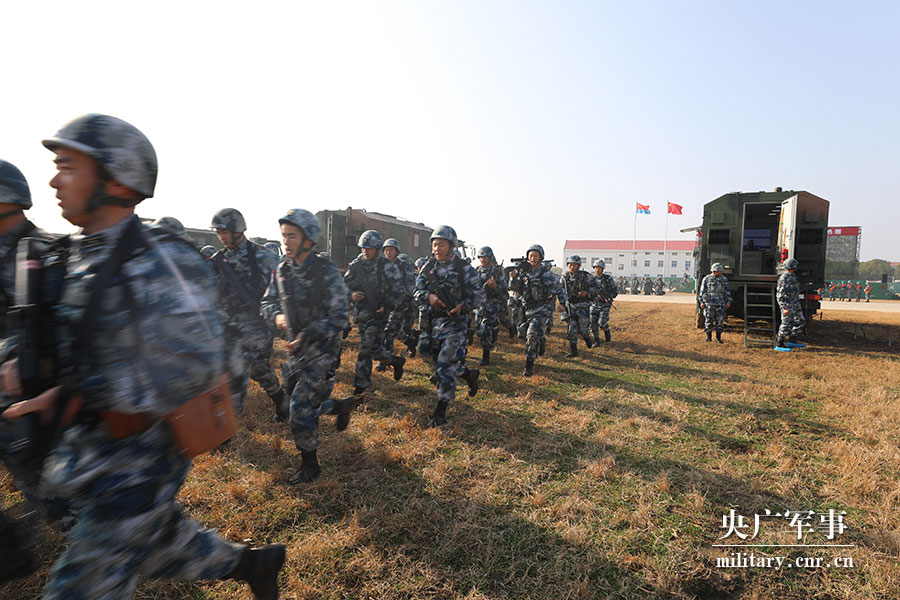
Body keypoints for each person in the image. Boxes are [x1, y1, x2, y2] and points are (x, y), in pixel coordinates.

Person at [1, 114, 283, 599]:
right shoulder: (69, 255)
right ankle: (253, 564)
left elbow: (196, 364)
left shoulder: (162, 260)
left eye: (68, 166)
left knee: (84, 583)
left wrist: (77, 395)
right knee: (161, 546)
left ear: (115, 178)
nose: (53, 179)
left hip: (143, 455)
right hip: (85, 450)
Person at [260, 209, 354, 484]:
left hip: (322, 353)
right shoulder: (281, 270)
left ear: (308, 239)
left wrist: (309, 332)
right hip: (295, 353)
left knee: (300, 408)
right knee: (299, 407)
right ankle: (338, 406)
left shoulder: (327, 273)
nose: (286, 241)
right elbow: (266, 303)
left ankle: (310, 465)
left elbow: (340, 318)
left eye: (292, 235)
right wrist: (274, 316)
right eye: (284, 236)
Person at [210, 208, 284, 419]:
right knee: (258, 368)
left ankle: (226, 427)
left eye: (225, 232)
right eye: (219, 233)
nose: (222, 237)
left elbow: (284, 286)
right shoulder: (219, 260)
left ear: (238, 230)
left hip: (257, 323)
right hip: (229, 323)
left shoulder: (262, 256)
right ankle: (282, 401)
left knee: (237, 366)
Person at [413, 226, 483, 426]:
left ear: (451, 246)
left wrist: (464, 305)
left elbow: (479, 296)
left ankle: (440, 412)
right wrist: (428, 296)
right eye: (434, 244)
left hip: (456, 324)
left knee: (444, 367)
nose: (437, 248)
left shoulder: (465, 269)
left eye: (441, 244)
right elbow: (416, 291)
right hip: (434, 324)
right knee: (438, 361)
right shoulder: (428, 267)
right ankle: (468, 375)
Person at [344, 229, 406, 397]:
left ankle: (359, 390)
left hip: (378, 315)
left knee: (364, 351)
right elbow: (343, 285)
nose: (365, 251)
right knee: (375, 350)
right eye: (363, 248)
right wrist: (351, 295)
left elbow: (400, 291)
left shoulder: (387, 266)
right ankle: (394, 361)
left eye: (369, 248)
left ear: (377, 248)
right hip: (361, 315)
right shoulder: (357, 265)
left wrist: (387, 305)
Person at [509, 244, 566, 376]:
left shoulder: (546, 274)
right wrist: (513, 277)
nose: (533, 258)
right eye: (530, 255)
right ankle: (541, 340)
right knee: (524, 334)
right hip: (525, 309)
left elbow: (560, 289)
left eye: (535, 255)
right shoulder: (523, 272)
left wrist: (562, 303)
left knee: (531, 335)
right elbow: (515, 289)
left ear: (541, 257)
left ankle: (529, 365)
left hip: (540, 309)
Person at [379, 239, 418, 365]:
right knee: (392, 330)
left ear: (396, 251)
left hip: (399, 303)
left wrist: (405, 301)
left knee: (389, 329)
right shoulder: (380, 265)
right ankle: (409, 341)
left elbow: (410, 285)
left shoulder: (403, 266)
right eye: (386, 250)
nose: (388, 253)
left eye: (391, 250)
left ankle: (385, 360)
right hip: (384, 303)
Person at [473, 246, 507, 366]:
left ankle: (485, 355)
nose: (482, 259)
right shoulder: (476, 271)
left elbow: (503, 289)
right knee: (479, 330)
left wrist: (494, 287)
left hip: (492, 303)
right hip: (479, 304)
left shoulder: (496, 271)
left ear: (490, 257)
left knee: (485, 329)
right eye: (481, 257)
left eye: (485, 257)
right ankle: (494, 331)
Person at [561, 255, 594, 357]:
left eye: (575, 265)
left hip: (583, 306)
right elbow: (559, 290)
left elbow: (597, 288)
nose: (573, 267)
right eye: (571, 265)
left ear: (579, 265)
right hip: (570, 306)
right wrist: (561, 303)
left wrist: (587, 293)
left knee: (583, 328)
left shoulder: (586, 276)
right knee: (572, 329)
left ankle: (587, 338)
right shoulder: (564, 277)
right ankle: (574, 351)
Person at [775, 257, 806, 351]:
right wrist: (784, 307)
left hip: (795, 303)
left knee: (800, 321)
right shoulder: (784, 278)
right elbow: (780, 294)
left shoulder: (793, 277)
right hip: (788, 304)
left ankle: (792, 340)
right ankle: (779, 343)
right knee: (786, 324)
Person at [698, 262, 731, 343]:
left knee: (719, 321)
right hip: (709, 303)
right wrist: (701, 301)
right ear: (713, 271)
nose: (719, 272)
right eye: (718, 271)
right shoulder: (706, 279)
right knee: (708, 320)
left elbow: (727, 291)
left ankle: (718, 338)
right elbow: (702, 291)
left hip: (720, 303)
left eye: (720, 271)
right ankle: (708, 337)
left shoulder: (724, 279)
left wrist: (728, 301)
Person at [590, 259, 617, 345]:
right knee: (592, 324)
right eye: (596, 268)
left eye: (599, 268)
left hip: (604, 305)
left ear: (603, 269)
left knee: (601, 323)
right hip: (594, 304)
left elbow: (615, 290)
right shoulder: (591, 280)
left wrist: (609, 297)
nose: (597, 270)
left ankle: (607, 331)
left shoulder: (608, 279)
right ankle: (597, 341)